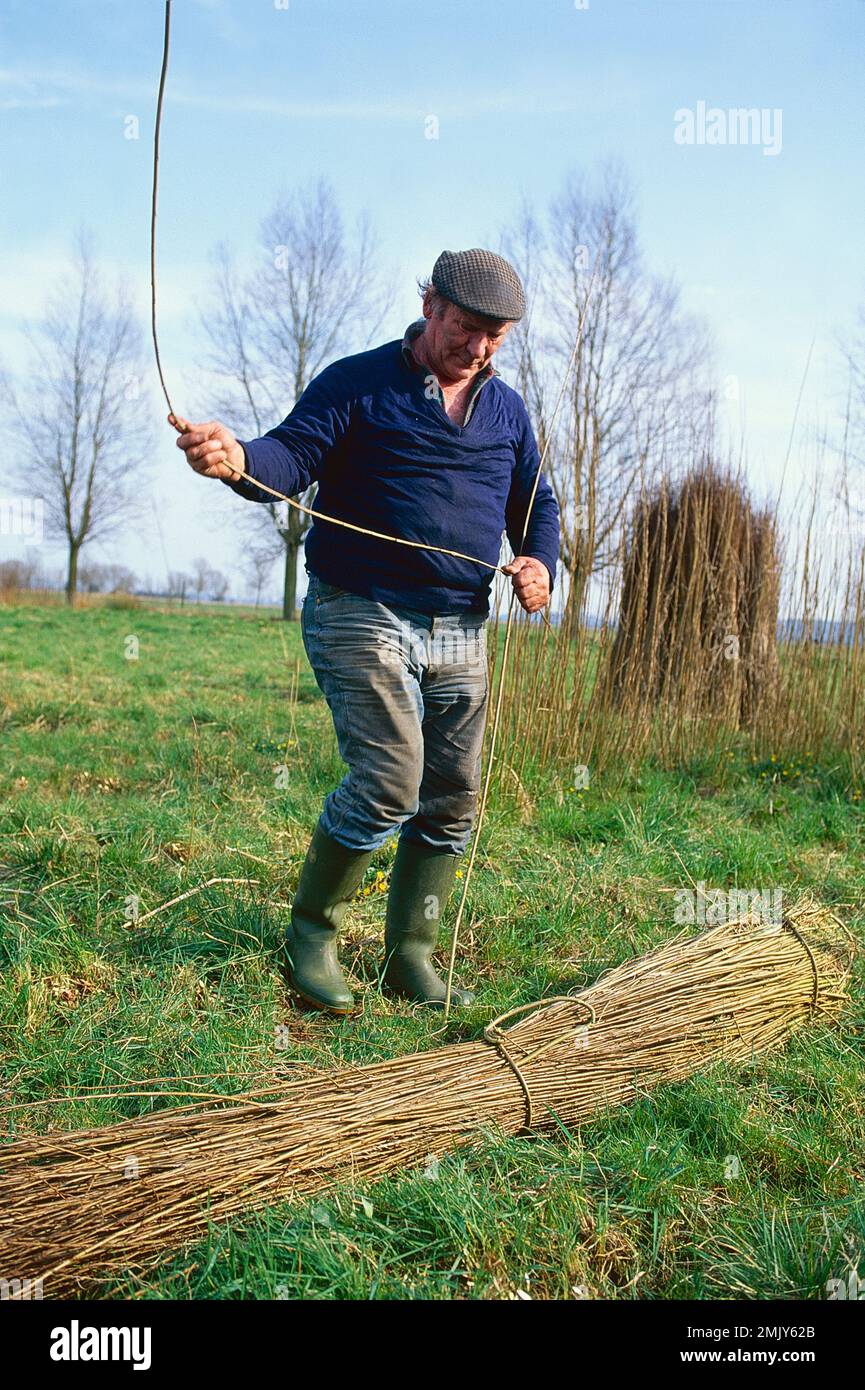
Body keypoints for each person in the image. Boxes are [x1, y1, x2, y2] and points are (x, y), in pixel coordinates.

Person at [173, 248, 560, 1013]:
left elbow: (536, 505)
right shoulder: (358, 382)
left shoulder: (508, 411)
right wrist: (236, 458)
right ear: (429, 305)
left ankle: (409, 953)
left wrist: (538, 564)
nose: (477, 347)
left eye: (495, 336)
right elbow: (288, 458)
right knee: (390, 783)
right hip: (362, 607)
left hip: (459, 622)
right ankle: (310, 934)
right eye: (465, 327)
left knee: (451, 797)